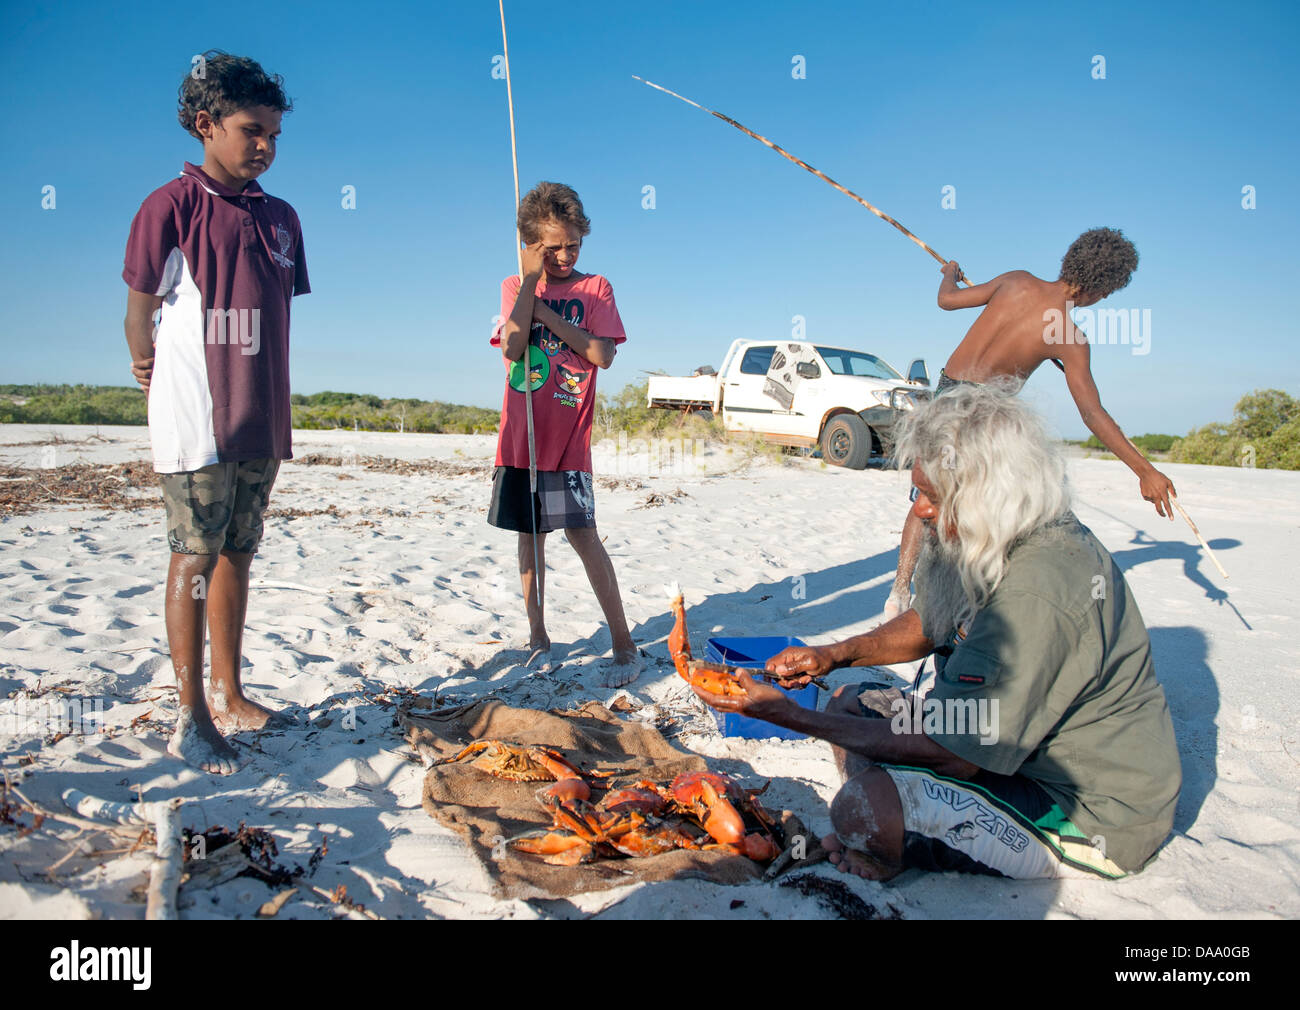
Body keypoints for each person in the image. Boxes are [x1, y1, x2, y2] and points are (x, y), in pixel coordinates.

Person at [694, 384, 1181, 880]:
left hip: (1085, 807)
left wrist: (790, 716)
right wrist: (833, 654)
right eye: (918, 491)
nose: (921, 510)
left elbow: (954, 753)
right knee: (846, 702)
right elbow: (930, 621)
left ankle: (887, 842)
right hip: (998, 740)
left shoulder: (1039, 589)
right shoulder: (982, 524)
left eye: (933, 496)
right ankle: (900, 816)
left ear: (989, 493)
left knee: (865, 805)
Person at [122, 51, 308, 774]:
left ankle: (230, 691)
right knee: (194, 553)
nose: (264, 145)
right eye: (251, 130)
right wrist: (149, 369)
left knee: (238, 548)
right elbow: (140, 314)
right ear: (205, 124)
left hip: (259, 412)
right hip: (197, 414)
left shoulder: (282, 218)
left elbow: (268, 311)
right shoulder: (169, 207)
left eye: (274, 135)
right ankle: (191, 713)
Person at [882, 228, 1177, 620]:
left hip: (946, 395)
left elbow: (947, 300)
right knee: (967, 506)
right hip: (984, 415)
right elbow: (1092, 414)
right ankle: (954, 596)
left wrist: (949, 272)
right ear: (1103, 290)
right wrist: (1145, 471)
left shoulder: (1016, 280)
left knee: (926, 498)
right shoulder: (1069, 337)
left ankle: (899, 591)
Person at [490, 182, 640, 687]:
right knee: (529, 536)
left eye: (571, 245)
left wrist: (549, 312)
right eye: (549, 247)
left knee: (583, 535)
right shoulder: (515, 286)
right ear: (529, 245)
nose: (562, 255)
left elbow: (601, 354)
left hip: (569, 439)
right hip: (521, 439)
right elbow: (511, 348)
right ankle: (538, 636)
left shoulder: (596, 288)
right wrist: (530, 285)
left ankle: (623, 642)